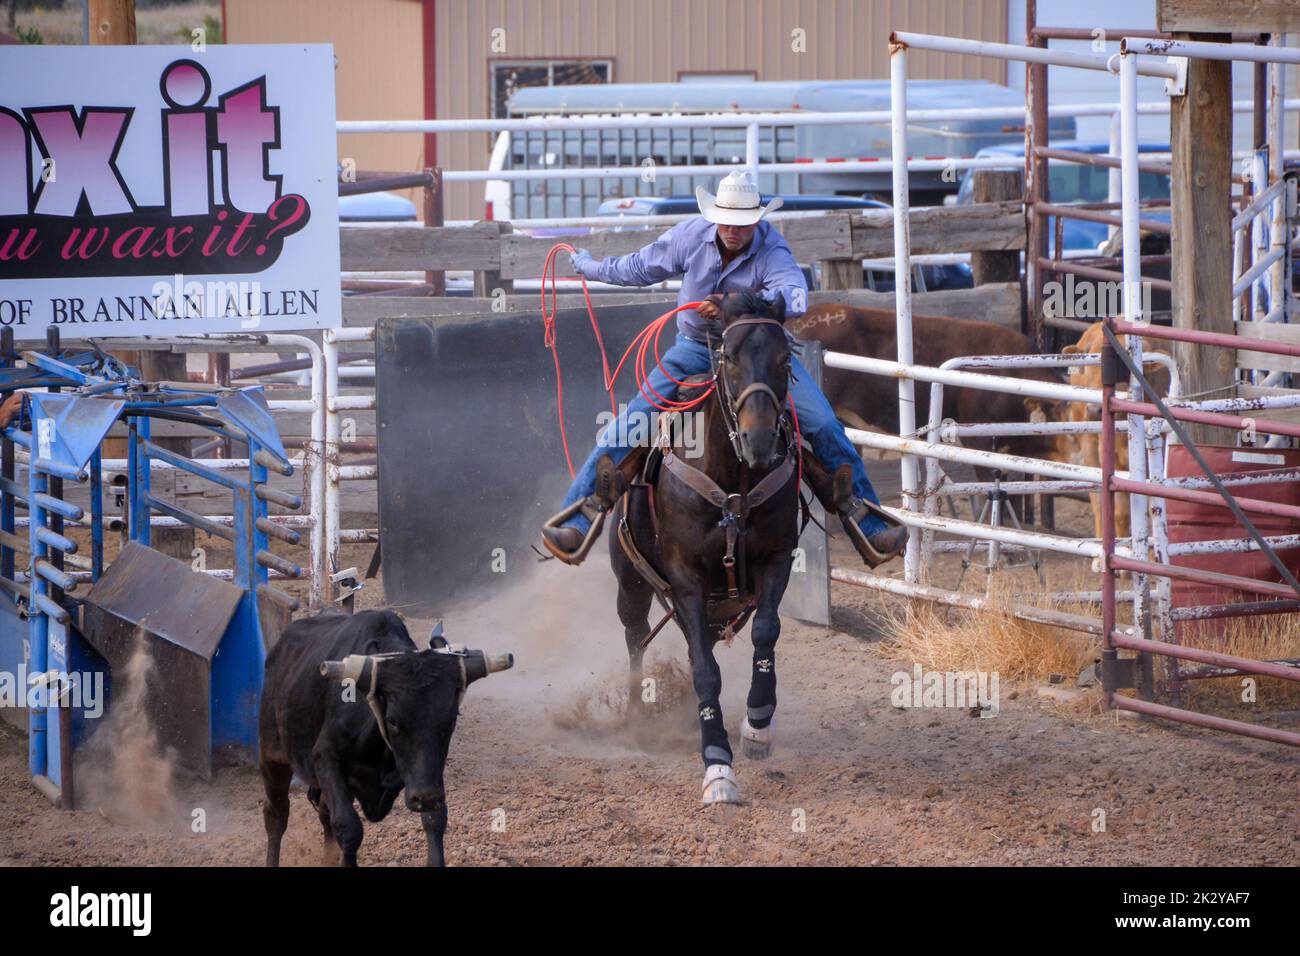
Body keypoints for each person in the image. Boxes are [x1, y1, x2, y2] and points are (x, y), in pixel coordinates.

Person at [540, 169, 906, 565]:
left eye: (742, 222)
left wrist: (731, 302)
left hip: (756, 353)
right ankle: (579, 519)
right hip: (697, 347)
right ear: (714, 216)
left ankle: (868, 523)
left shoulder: (772, 248)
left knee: (822, 423)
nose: (732, 229)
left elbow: (794, 297)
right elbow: (639, 267)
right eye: (726, 220)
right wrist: (589, 266)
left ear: (756, 221)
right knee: (632, 421)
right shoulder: (690, 237)